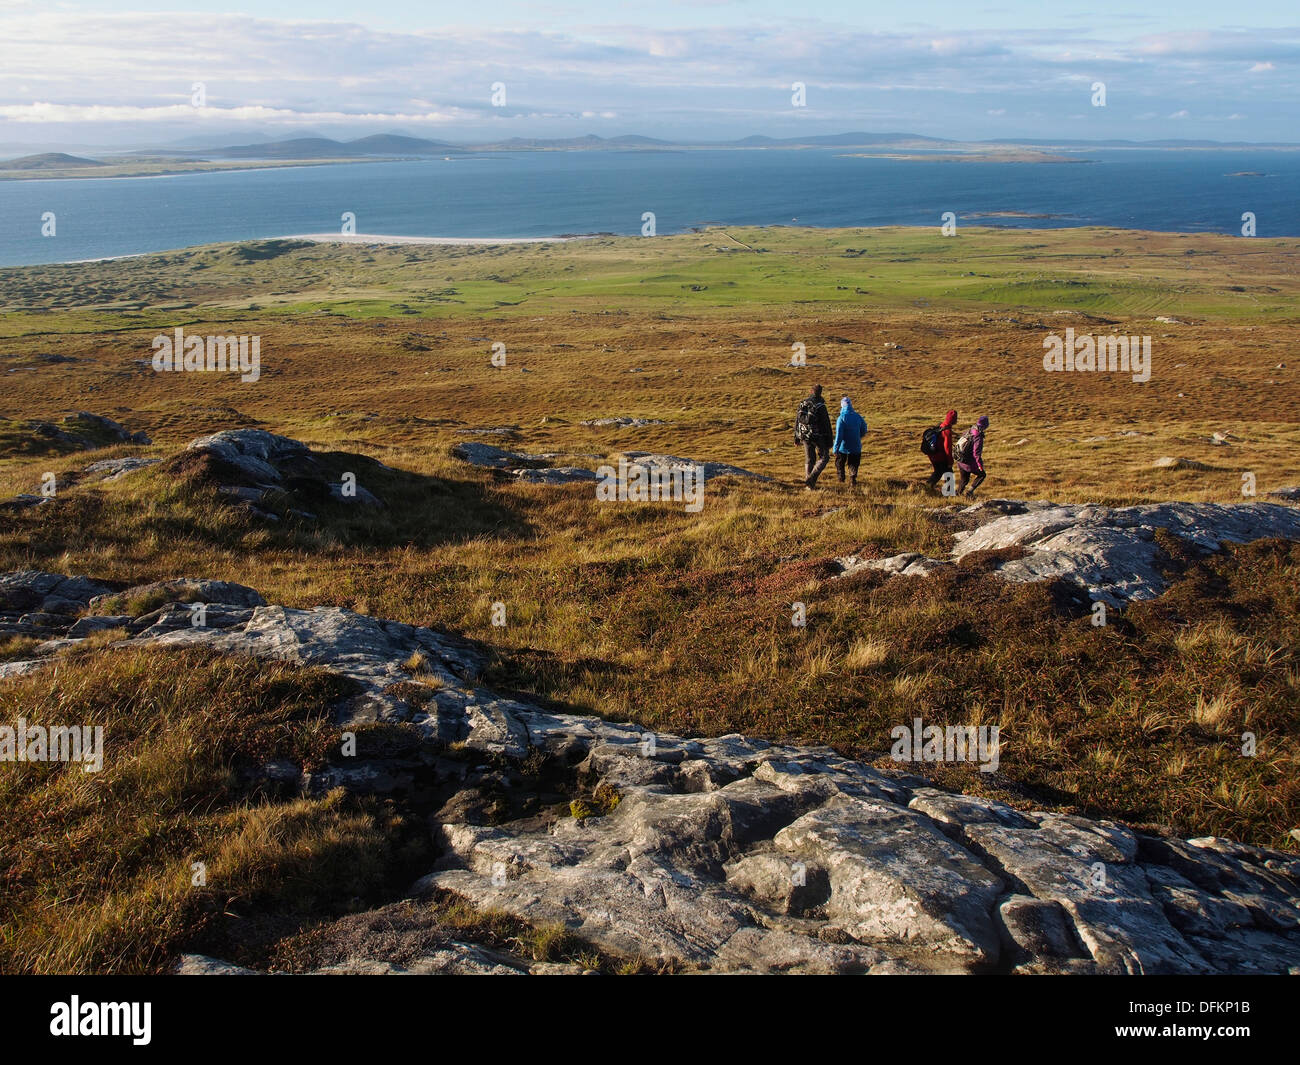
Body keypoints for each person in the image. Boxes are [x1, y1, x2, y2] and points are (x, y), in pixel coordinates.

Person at [794, 384, 832, 488]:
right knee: (824, 457)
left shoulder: (803, 403)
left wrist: (796, 437)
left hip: (804, 435)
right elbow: (826, 424)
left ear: (811, 391)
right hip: (817, 436)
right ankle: (811, 479)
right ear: (820, 393)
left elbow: (797, 420)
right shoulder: (821, 406)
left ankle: (809, 484)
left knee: (810, 459)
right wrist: (829, 441)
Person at [832, 395, 868, 487]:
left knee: (840, 463)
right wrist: (858, 436)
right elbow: (864, 428)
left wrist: (835, 449)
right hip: (855, 445)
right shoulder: (857, 416)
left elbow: (839, 435)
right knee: (854, 463)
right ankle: (852, 479)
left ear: (842, 406)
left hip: (843, 447)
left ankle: (841, 480)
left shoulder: (841, 418)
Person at [954, 415, 989, 496]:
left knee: (964, 480)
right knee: (982, 475)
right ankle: (969, 492)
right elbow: (976, 453)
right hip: (968, 462)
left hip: (960, 460)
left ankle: (957, 495)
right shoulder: (978, 436)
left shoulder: (969, 430)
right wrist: (979, 465)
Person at [924, 409, 958, 490]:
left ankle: (927, 488)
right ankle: (948, 494)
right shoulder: (947, 431)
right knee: (949, 475)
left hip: (933, 455)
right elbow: (947, 448)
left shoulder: (942, 426)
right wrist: (950, 461)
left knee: (938, 472)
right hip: (940, 457)